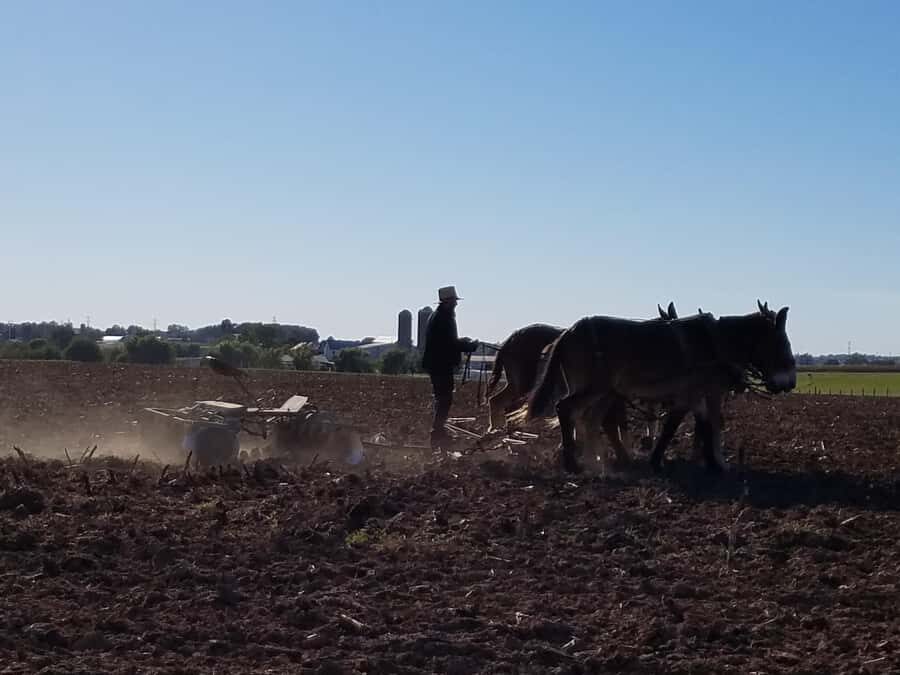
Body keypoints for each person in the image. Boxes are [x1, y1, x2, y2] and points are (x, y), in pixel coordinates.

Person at [421, 286, 479, 449]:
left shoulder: (439, 316)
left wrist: (463, 342)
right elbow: (449, 343)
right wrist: (469, 345)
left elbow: (448, 340)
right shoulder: (443, 318)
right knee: (444, 399)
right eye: (454, 301)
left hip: (437, 364)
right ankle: (437, 434)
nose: (456, 304)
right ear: (447, 302)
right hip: (440, 364)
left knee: (442, 399)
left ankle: (438, 432)